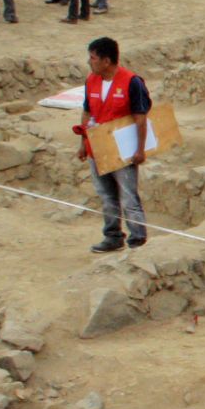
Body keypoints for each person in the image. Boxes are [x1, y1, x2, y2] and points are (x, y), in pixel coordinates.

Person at [75, 36, 149, 253]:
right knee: (106, 195)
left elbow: (140, 117)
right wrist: (83, 143)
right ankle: (113, 236)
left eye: (93, 58)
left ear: (106, 61)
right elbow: (87, 112)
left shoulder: (132, 82)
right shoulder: (91, 80)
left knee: (128, 196)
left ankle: (138, 240)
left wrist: (140, 149)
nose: (90, 62)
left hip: (122, 150)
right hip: (97, 148)